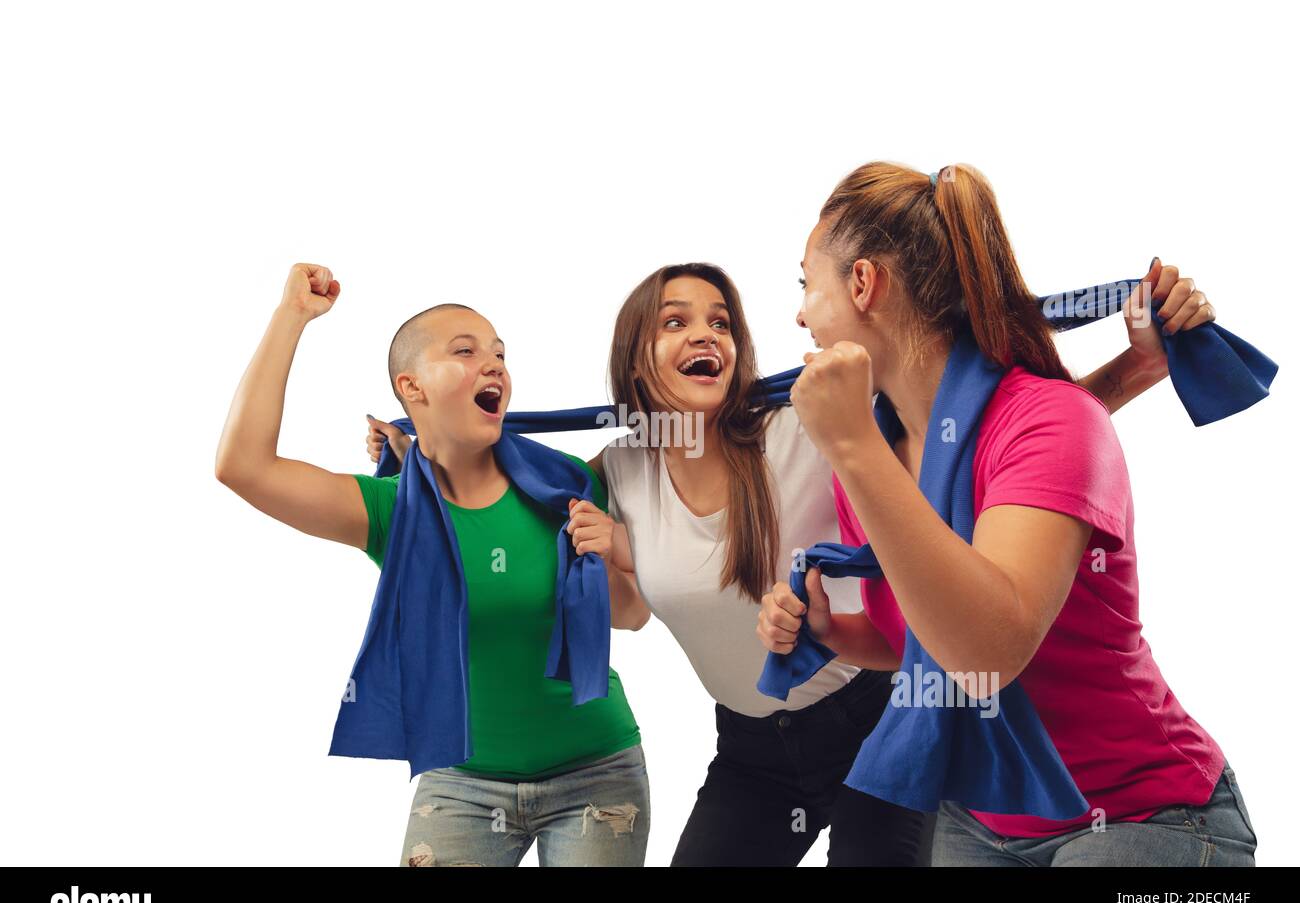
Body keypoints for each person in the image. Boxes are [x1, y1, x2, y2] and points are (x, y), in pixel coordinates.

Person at [374, 245, 1217, 865]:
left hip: (875, 721)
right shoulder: (618, 471)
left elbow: (985, 453)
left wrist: (1135, 370)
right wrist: (425, 453)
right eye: (675, 323)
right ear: (638, 356)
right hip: (751, 753)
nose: (706, 334)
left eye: (719, 321)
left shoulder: (806, 426)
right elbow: (517, 504)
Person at [757, 161, 1256, 866]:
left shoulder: (1023, 425)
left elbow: (987, 654)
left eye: (807, 284)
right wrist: (831, 630)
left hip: (1149, 815)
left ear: (864, 283)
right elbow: (926, 636)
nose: (800, 314)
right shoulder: (884, 451)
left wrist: (852, 446)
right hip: (983, 820)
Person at [217, 263, 651, 867]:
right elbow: (243, 466)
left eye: (499, 353)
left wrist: (605, 551)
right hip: (461, 784)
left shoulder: (565, 484)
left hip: (596, 777)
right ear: (412, 387)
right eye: (466, 351)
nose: (494, 364)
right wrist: (292, 316)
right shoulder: (393, 514)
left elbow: (632, 617)